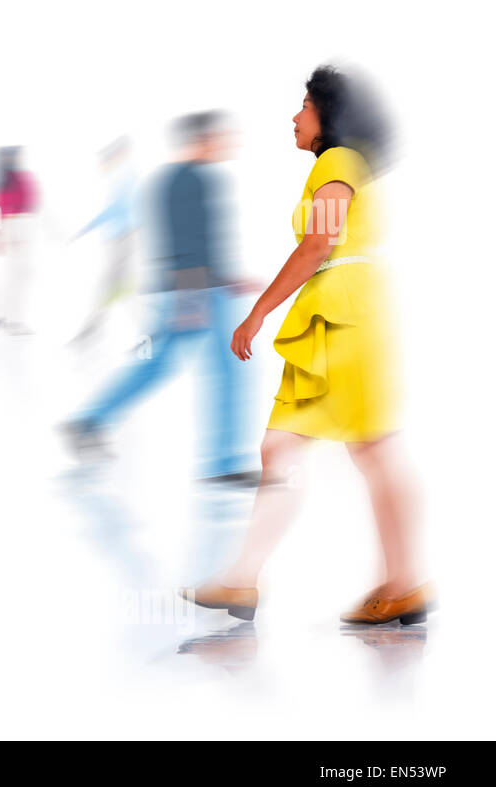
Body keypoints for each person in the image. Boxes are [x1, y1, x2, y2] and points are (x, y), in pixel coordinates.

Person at [183, 66, 429, 625]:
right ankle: (243, 580)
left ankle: (403, 583)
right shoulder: (338, 166)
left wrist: (256, 313)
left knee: (369, 448)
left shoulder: (336, 162)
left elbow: (318, 243)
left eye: (304, 106)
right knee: (289, 448)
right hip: (330, 315)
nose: (294, 117)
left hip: (343, 316)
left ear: (328, 116)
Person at [63, 112, 257, 484]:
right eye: (222, 137)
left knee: (158, 364)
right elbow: (198, 241)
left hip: (181, 285)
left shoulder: (165, 178)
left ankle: (88, 421)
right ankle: (224, 463)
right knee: (230, 367)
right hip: (200, 288)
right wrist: (223, 281)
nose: (228, 143)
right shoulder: (198, 178)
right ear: (204, 138)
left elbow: (176, 240)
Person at [68, 136, 140, 349]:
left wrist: (85, 229)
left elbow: (116, 210)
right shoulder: (122, 178)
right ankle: (93, 329)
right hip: (120, 240)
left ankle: (92, 330)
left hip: (124, 239)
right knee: (118, 289)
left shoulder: (127, 178)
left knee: (116, 288)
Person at [0, 146, 39, 335]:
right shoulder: (7, 181)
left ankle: (12, 319)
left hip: (21, 228)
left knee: (20, 276)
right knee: (18, 276)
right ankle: (13, 321)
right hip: (16, 228)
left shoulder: (10, 179)